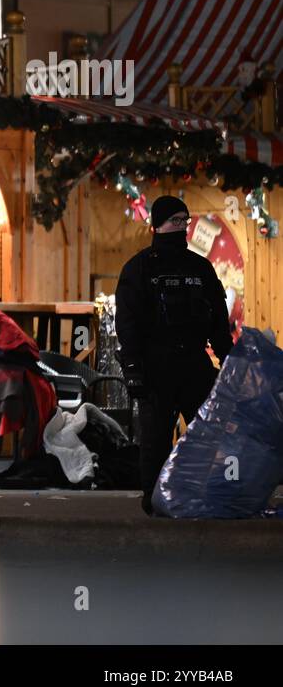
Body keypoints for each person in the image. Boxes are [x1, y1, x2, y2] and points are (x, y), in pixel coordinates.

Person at [115, 194, 233, 515]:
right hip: (156, 367)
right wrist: (133, 368)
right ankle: (154, 499)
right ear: (158, 225)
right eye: (175, 221)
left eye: (185, 221)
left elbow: (218, 321)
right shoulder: (139, 269)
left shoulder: (200, 267)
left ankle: (199, 494)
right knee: (155, 439)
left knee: (205, 435)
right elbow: (128, 324)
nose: (181, 227)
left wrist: (229, 360)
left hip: (195, 364)